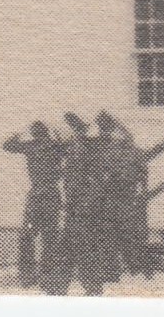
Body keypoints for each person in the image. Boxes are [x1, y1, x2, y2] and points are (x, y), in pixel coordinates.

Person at [49, 112, 115, 296]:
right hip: (75, 206)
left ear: (74, 129)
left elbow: (93, 178)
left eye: (65, 128)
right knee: (71, 247)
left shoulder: (85, 147)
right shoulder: (74, 146)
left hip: (84, 206)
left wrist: (85, 204)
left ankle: (88, 289)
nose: (60, 133)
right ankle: (63, 288)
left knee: (81, 248)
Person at [2, 120, 65, 286]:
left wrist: (19, 132)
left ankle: (27, 276)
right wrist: (58, 135)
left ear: (34, 133)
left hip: (36, 196)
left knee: (28, 236)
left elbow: (7, 145)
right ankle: (47, 276)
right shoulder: (55, 146)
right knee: (49, 237)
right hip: (50, 196)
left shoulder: (31, 145)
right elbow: (68, 148)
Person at [99, 112, 153, 281]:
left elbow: (144, 174)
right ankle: (112, 272)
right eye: (116, 133)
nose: (118, 136)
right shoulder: (109, 152)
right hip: (112, 198)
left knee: (130, 236)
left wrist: (142, 193)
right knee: (110, 237)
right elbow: (103, 173)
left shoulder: (136, 153)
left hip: (128, 199)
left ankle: (139, 268)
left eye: (121, 133)